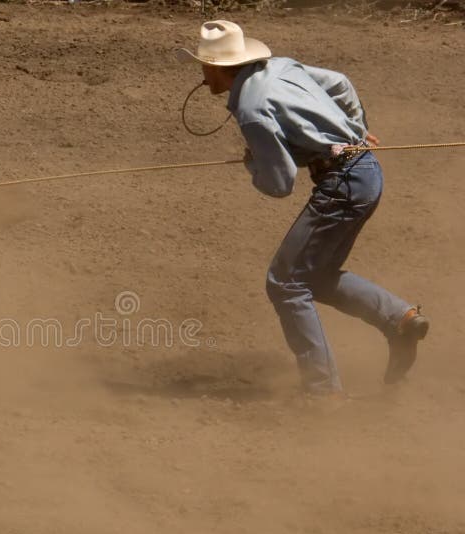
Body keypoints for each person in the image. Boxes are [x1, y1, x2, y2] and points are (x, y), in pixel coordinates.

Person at [177, 20, 429, 395]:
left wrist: (252, 163)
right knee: (312, 275)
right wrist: (355, 132)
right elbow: (340, 83)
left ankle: (321, 392)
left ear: (215, 67)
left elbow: (279, 184)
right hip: (365, 174)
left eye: (203, 64)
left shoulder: (251, 109)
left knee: (285, 283)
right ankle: (400, 319)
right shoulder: (281, 65)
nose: (201, 71)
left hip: (341, 185)